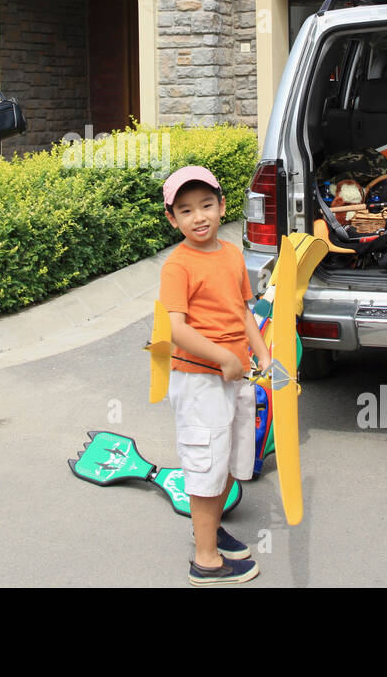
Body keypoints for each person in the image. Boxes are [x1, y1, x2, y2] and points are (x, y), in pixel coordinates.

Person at [159, 165, 272, 584]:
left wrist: (262, 354)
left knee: (229, 459)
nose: (199, 216)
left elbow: (244, 312)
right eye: (186, 210)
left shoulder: (231, 255)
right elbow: (176, 328)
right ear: (173, 219)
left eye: (207, 205)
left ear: (223, 207)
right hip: (199, 379)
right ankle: (206, 560)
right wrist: (223, 359)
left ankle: (209, 529)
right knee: (206, 462)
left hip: (235, 376)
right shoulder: (178, 265)